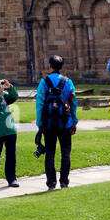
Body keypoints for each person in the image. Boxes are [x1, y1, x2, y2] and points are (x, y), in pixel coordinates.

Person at [35, 55, 78, 191]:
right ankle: (64, 182)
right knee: (66, 152)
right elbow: (73, 103)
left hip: (48, 123)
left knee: (50, 153)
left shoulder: (44, 82)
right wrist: (74, 121)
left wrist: (40, 123)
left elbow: (40, 104)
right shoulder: (68, 82)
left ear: (50, 66)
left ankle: (51, 183)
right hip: (65, 122)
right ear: (61, 67)